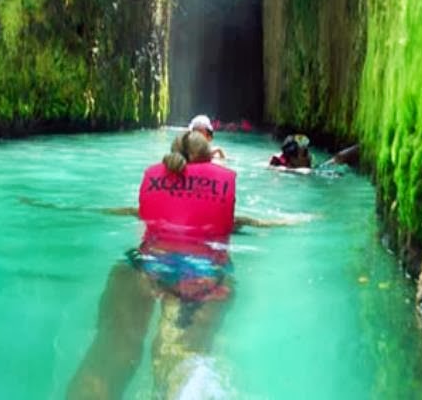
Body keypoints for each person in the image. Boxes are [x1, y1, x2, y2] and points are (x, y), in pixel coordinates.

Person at [66, 132, 303, 399]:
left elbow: (98, 211)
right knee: (182, 359)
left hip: (143, 266)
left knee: (112, 347)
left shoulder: (145, 204)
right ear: (209, 161)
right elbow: (271, 223)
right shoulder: (233, 216)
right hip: (203, 275)